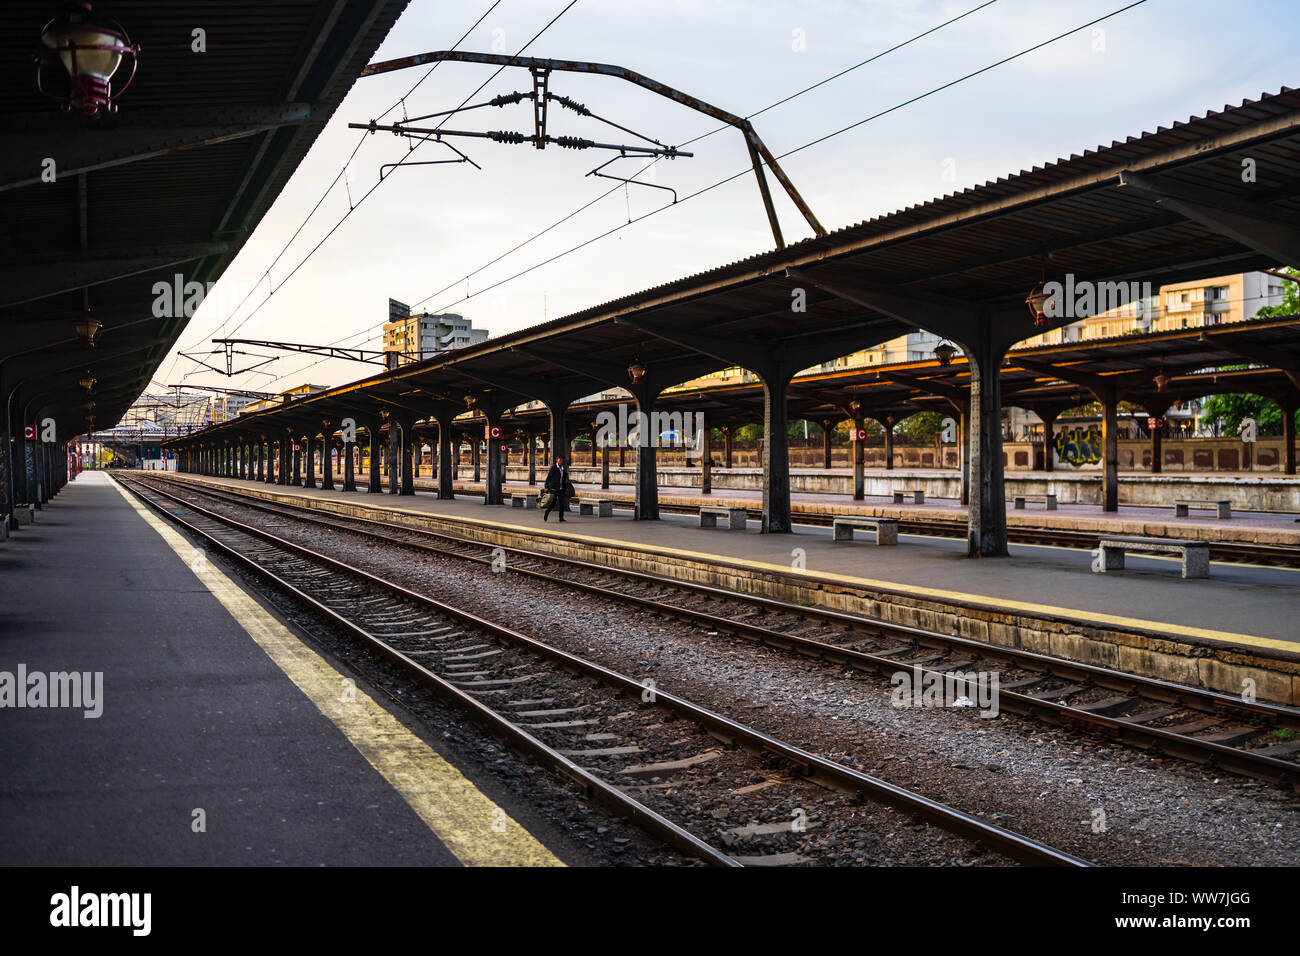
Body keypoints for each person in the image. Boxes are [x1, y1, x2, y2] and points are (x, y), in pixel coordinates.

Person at [543, 454, 569, 522]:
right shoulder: (554, 468)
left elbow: (563, 478)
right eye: (559, 459)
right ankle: (547, 512)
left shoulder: (563, 468)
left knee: (562, 503)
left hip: (560, 488)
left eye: (561, 460)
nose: (560, 461)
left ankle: (561, 517)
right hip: (553, 488)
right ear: (557, 460)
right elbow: (549, 477)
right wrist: (546, 486)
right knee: (552, 503)